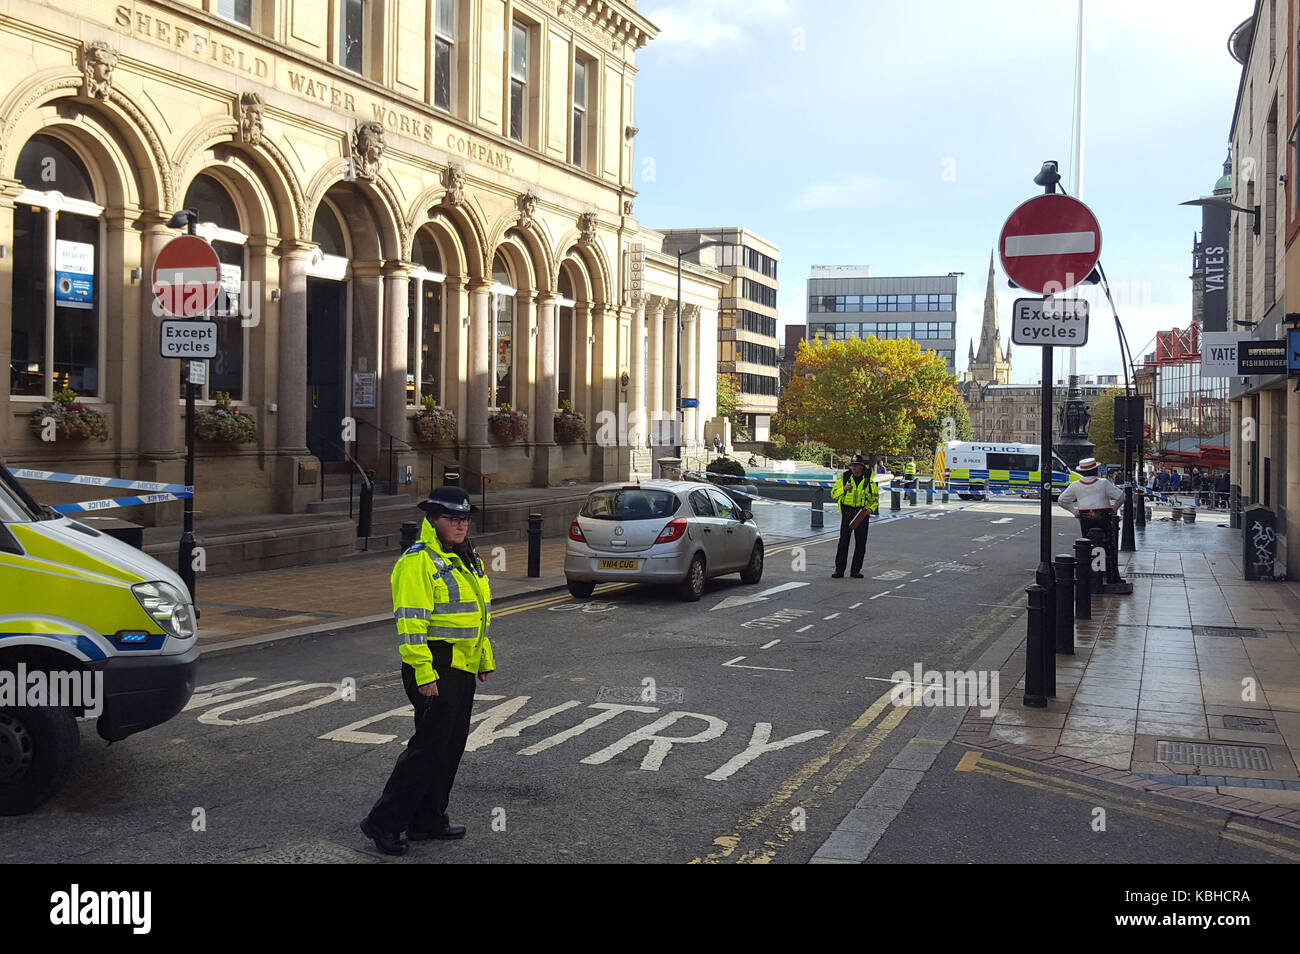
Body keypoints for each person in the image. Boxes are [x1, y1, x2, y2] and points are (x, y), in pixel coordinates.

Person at [360, 486, 495, 856]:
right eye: (453, 518)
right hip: (434, 664)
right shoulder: (417, 562)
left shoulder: (465, 556)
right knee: (428, 749)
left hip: (461, 665)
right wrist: (424, 672)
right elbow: (411, 624)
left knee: (450, 747)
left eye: (465, 519)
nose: (460, 525)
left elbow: (476, 614)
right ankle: (383, 822)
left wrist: (483, 659)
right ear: (433, 520)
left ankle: (427, 818)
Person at [1057, 457, 1124, 569]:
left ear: (1082, 472)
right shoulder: (1103, 483)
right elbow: (1122, 497)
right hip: (1103, 516)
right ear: (1095, 470)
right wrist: (1113, 509)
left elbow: (1061, 500)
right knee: (1108, 544)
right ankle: (1110, 572)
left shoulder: (1076, 485)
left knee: (1087, 544)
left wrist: (1074, 511)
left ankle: (1092, 570)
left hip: (1085, 516)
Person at [830, 452, 879, 579]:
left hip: (862, 513)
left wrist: (870, 510)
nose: (855, 468)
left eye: (857, 465)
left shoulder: (869, 481)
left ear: (862, 467)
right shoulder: (844, 478)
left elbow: (874, 500)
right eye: (853, 465)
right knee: (843, 543)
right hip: (848, 512)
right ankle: (839, 570)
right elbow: (834, 494)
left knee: (861, 543)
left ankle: (855, 570)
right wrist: (844, 489)